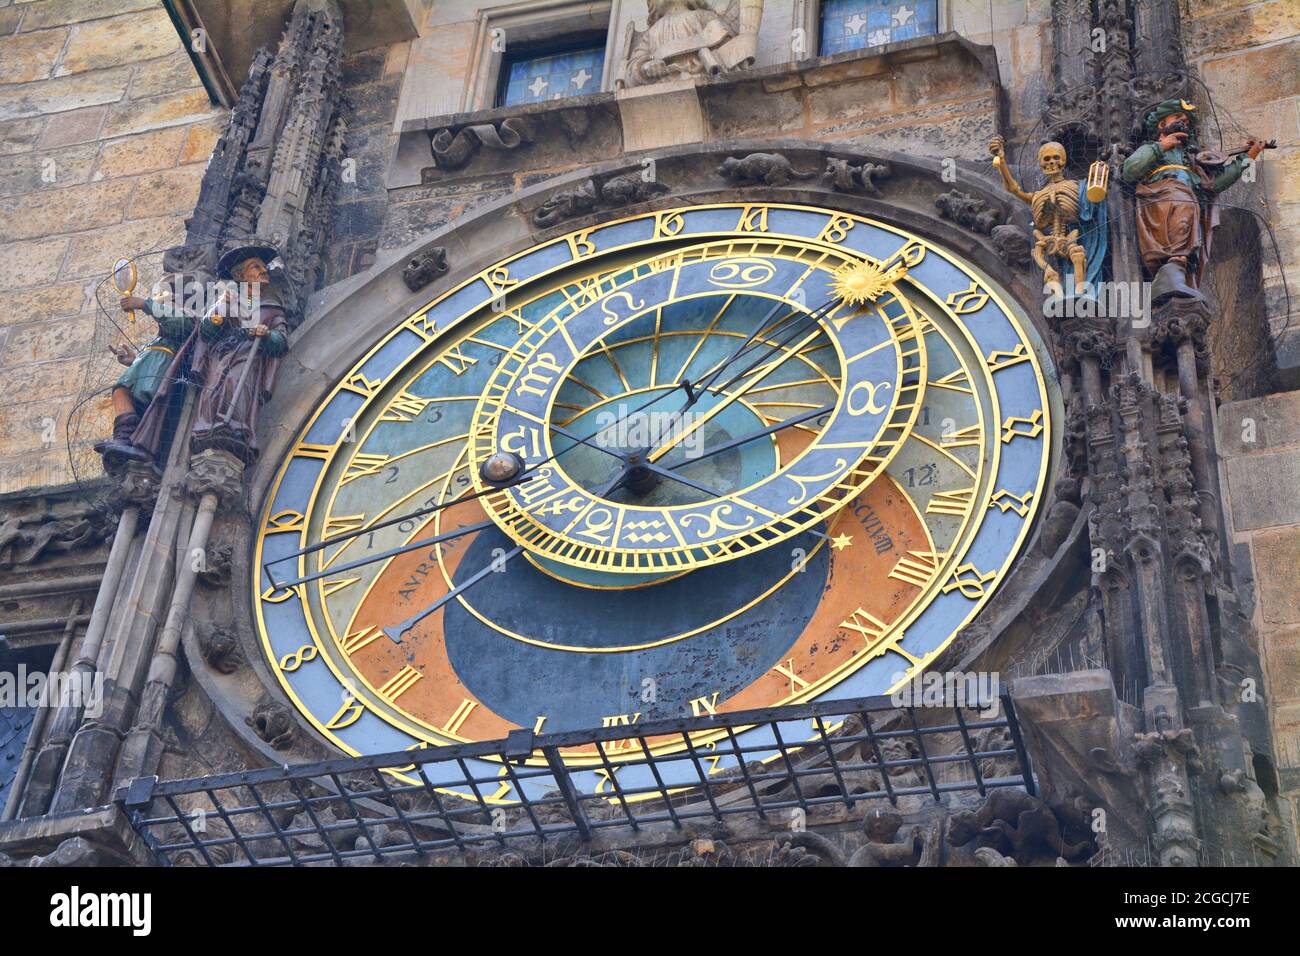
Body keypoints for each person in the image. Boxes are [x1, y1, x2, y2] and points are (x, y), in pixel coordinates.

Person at [1121, 98, 1268, 303]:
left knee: (1188, 207)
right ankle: (1171, 271)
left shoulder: (1191, 159)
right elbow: (1129, 170)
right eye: (1178, 118)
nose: (1184, 122)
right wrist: (1161, 147)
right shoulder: (1153, 148)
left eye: (1187, 121)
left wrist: (1247, 157)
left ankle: (1176, 272)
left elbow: (1213, 185)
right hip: (1161, 200)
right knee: (1182, 199)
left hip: (1187, 203)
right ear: (1162, 124)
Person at [188, 244, 291, 464]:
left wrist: (265, 335)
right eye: (256, 267)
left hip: (249, 358)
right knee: (216, 385)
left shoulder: (272, 309)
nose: (264, 271)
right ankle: (209, 428)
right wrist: (221, 309)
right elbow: (206, 332)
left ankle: (235, 427)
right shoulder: (227, 301)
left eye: (264, 267)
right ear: (240, 275)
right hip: (221, 356)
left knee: (236, 383)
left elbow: (280, 342)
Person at [94, 275, 197, 464]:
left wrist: (143, 304)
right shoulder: (162, 336)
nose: (163, 302)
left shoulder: (185, 318)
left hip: (162, 370)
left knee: (122, 392)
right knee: (121, 393)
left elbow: (179, 323)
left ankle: (128, 440)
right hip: (151, 367)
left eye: (167, 298)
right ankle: (125, 440)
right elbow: (153, 356)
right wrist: (133, 360)